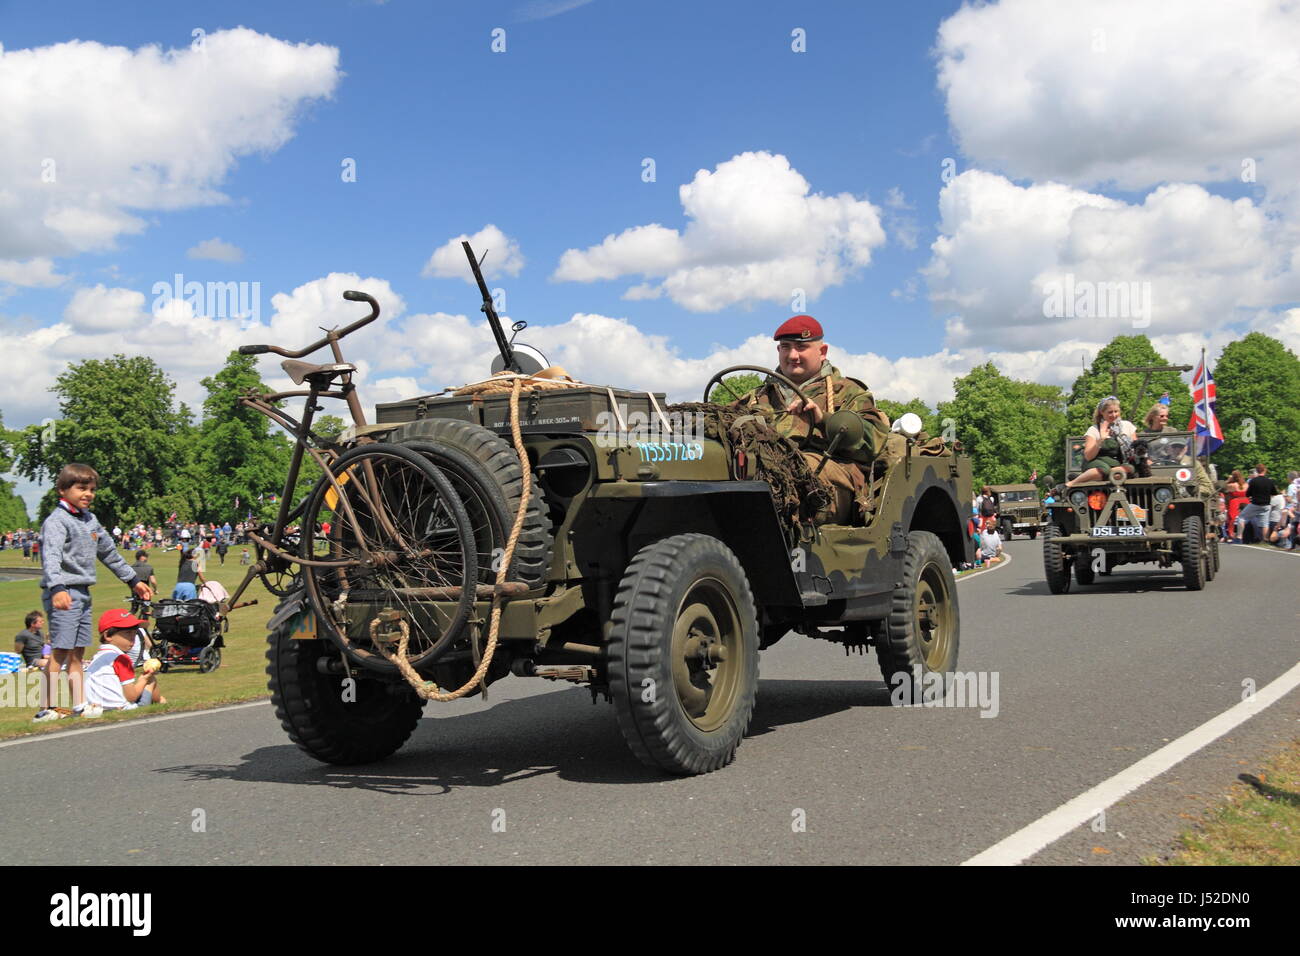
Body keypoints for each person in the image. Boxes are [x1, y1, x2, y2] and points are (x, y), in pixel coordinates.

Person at [729, 315, 889, 524]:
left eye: (801, 347)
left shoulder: (849, 393)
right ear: (778, 351)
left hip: (828, 482)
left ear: (822, 352)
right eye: (786, 347)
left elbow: (873, 444)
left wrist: (823, 419)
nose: (793, 355)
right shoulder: (758, 396)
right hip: (762, 475)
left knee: (797, 469)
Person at [33, 464, 152, 722]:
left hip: (83, 592)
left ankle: (79, 704)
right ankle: (46, 707)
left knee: (77, 652)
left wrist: (133, 580)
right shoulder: (57, 521)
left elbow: (109, 553)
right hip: (64, 592)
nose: (88, 494)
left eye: (91, 489)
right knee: (60, 652)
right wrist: (57, 588)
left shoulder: (90, 520)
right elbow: (50, 558)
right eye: (81, 488)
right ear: (63, 490)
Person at [83, 609, 167, 714]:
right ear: (108, 636)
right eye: (128, 633)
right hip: (121, 710)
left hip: (97, 709)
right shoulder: (121, 659)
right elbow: (131, 696)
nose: (133, 638)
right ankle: (163, 704)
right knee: (151, 680)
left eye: (135, 633)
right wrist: (144, 679)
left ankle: (161, 702)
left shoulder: (97, 658)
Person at [1065, 396, 1137, 488]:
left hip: (1118, 463)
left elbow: (1136, 447)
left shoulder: (1127, 426)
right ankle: (1072, 483)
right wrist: (1101, 439)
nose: (1114, 415)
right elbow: (1088, 456)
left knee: (1130, 468)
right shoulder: (1094, 430)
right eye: (1110, 412)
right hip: (1096, 463)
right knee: (1104, 470)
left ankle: (1087, 477)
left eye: (1116, 411)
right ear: (1101, 412)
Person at [1239, 465, 1277, 545]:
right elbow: (1274, 493)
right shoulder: (1269, 481)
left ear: (1257, 471)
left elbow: (1248, 494)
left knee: (1242, 517)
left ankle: (1239, 536)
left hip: (1255, 503)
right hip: (1266, 504)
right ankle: (1265, 540)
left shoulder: (1253, 481)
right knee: (1265, 523)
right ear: (1265, 470)